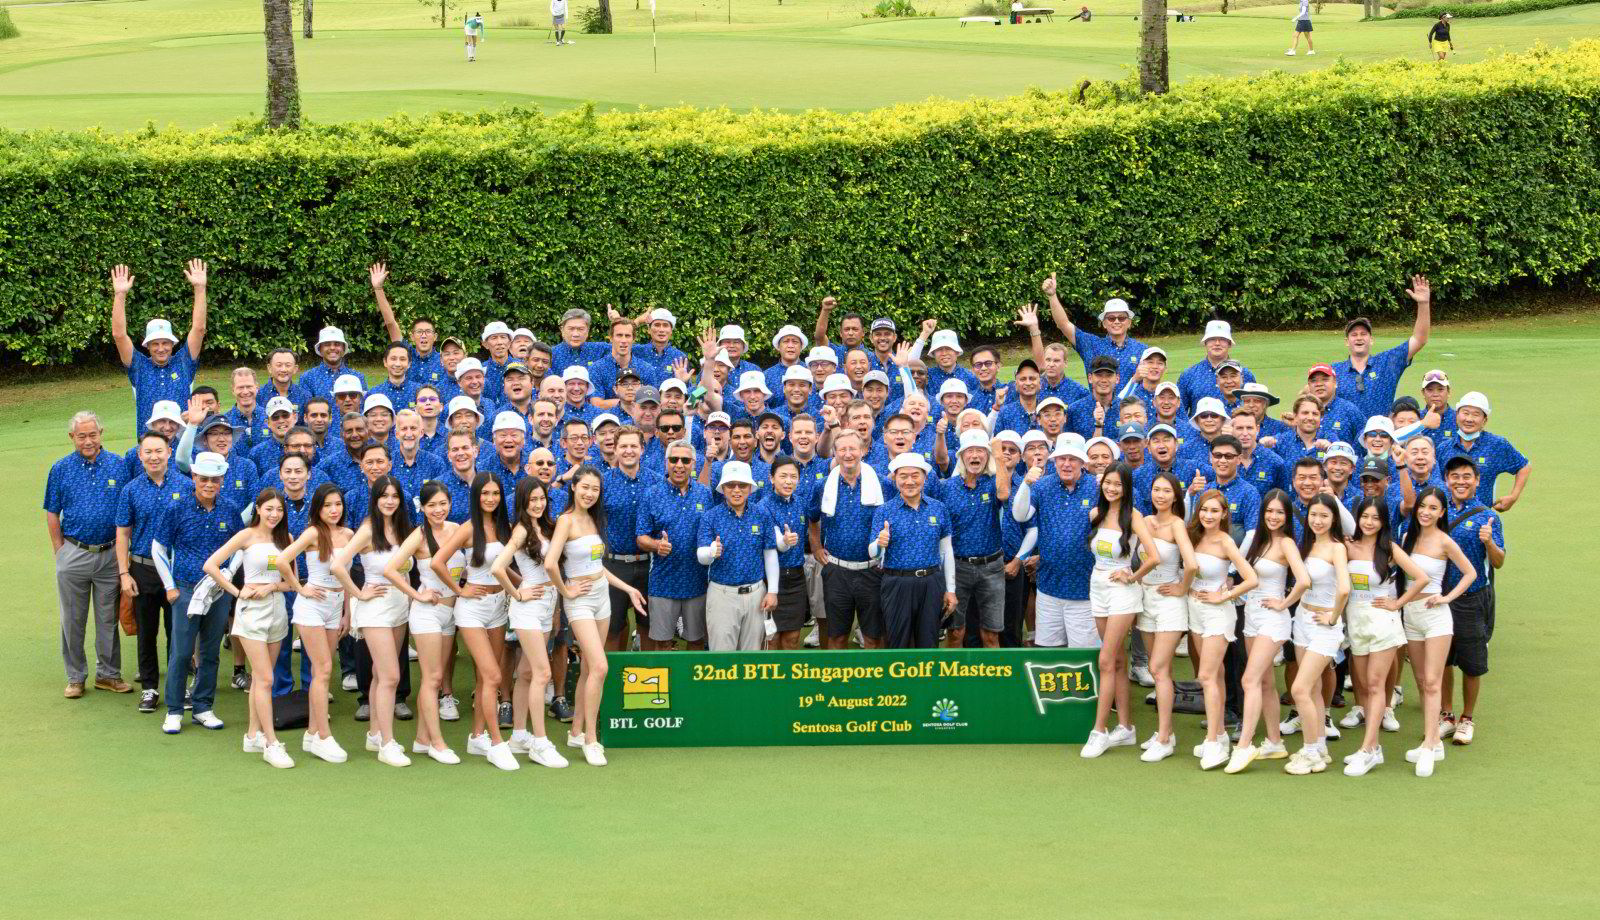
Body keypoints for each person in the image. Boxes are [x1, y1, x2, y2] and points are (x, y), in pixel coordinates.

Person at [546, 465, 647, 766]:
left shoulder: (593, 519)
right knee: (601, 666)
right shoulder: (565, 521)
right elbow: (551, 563)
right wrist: (566, 591)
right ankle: (592, 739)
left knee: (591, 668)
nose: (589, 493)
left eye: (595, 489)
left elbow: (597, 567)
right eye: (585, 487)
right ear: (574, 487)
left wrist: (627, 588)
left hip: (603, 596)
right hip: (579, 604)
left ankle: (576, 731)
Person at [427, 473, 520, 771]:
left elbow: (503, 568)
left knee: (485, 678)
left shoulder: (505, 528)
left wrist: (522, 588)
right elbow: (437, 562)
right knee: (494, 677)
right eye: (485, 494)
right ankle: (496, 743)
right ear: (476, 496)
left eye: (495, 493)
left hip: (499, 606)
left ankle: (476, 736)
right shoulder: (469, 528)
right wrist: (459, 589)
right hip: (472, 609)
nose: (491, 499)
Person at [203, 489, 296, 768]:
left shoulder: (287, 540)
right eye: (269, 509)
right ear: (258, 509)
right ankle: (271, 741)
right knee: (266, 679)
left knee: (259, 678)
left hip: (277, 609)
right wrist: (237, 591)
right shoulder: (246, 536)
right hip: (251, 614)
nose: (274, 514)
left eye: (279, 510)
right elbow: (211, 565)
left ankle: (252, 734)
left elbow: (292, 582)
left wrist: (271, 586)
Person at [1340, 497, 1429, 776]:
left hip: (1383, 623)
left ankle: (1368, 748)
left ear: (1383, 522)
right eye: (1364, 517)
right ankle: (1373, 747)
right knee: (1363, 686)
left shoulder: (1389, 549)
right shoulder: (1347, 547)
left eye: (1375, 518)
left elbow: (1421, 577)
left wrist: (1397, 603)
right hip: (1356, 622)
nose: (1369, 522)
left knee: (1377, 685)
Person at [151, 451, 238, 734]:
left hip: (217, 592)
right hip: (186, 589)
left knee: (211, 651)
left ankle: (203, 707)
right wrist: (170, 587)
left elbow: (241, 546)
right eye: (204, 479)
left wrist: (228, 576)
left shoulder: (230, 509)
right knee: (181, 652)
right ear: (194, 478)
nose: (209, 484)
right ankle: (175, 710)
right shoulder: (176, 508)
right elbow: (158, 548)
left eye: (215, 479)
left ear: (222, 480)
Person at [332, 475, 416, 768]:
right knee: (391, 676)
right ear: (375, 499)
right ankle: (388, 744)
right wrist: (358, 594)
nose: (390, 501)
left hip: (399, 607)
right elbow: (338, 565)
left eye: (395, 496)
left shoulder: (403, 530)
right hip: (375, 608)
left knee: (382, 675)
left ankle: (375, 734)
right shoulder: (368, 529)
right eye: (384, 496)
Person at [1079, 463, 1160, 758]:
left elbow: (1154, 556)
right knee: (1117, 661)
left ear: (1126, 488)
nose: (1112, 489)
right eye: (1108, 483)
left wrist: (1132, 576)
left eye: (1118, 485)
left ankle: (1099, 731)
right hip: (1097, 586)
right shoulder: (1095, 515)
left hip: (1122, 592)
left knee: (1106, 660)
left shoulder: (1134, 517)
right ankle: (1125, 728)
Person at [46, 411, 129, 699]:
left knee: (107, 619)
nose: (88, 441)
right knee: (73, 619)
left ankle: (108, 674)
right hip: (74, 552)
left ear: (101, 432)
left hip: (110, 554)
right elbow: (52, 512)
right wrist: (60, 551)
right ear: (72, 437)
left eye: (92, 434)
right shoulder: (60, 468)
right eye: (81, 436)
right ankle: (75, 677)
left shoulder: (119, 465)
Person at [1224, 490, 1308, 772]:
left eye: (1279, 512)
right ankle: (1274, 741)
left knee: (1249, 680)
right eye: (1269, 511)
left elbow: (1304, 580)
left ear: (1287, 517)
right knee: (1263, 682)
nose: (1273, 517)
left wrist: (1284, 603)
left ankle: (1244, 744)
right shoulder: (1257, 542)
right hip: (1251, 615)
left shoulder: (1286, 544)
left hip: (1274, 619)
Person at [1398, 483, 1478, 775]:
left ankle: (1431, 745)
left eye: (1433, 508)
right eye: (1423, 506)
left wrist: (1446, 597)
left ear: (1442, 512)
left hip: (1436, 618)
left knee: (1433, 681)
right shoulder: (1407, 537)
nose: (1426, 512)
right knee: (1421, 681)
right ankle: (1432, 739)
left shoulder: (1445, 541)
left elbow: (1470, 572)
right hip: (1411, 616)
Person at [381, 481, 462, 765]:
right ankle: (437, 743)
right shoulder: (418, 535)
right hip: (426, 612)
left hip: (450, 614)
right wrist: (417, 594)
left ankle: (421, 739)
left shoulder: (458, 530)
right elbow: (390, 569)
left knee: (437, 676)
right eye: (431, 505)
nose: (438, 510)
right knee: (433, 678)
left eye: (443, 504)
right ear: (423, 508)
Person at [492, 478, 570, 767]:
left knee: (526, 672)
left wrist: (555, 607)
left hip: (548, 606)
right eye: (532, 500)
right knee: (541, 673)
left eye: (542, 498)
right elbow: (498, 567)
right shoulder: (522, 529)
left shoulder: (547, 526)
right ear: (522, 503)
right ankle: (540, 742)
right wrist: (517, 593)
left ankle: (519, 736)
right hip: (526, 610)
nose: (538, 504)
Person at [115, 430, 194, 711]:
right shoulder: (131, 489)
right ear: (140, 455)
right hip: (143, 570)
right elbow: (123, 534)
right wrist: (124, 573)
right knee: (147, 632)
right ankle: (149, 688)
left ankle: (179, 686)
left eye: (159, 451)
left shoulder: (186, 486)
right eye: (147, 452)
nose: (154, 456)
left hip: (177, 570)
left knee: (178, 633)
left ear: (169, 452)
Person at [274, 483, 350, 762]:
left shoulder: (349, 534)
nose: (333, 510)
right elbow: (283, 560)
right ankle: (323, 736)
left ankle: (311, 732)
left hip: (335, 606)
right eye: (327, 505)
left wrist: (347, 613)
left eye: (338, 504)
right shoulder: (313, 533)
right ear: (318, 507)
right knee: (323, 669)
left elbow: (346, 576)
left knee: (324, 671)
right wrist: (299, 587)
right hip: (311, 606)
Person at [1185, 490, 1258, 770]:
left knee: (1205, 675)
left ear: (1224, 514)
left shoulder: (1226, 541)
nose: (1208, 515)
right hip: (1195, 610)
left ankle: (1214, 744)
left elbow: (1250, 579)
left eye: (1215, 511)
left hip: (1218, 614)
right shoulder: (1193, 537)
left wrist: (1223, 596)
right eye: (1204, 510)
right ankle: (1219, 735)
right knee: (1213, 676)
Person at [1438, 457, 1505, 750]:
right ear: (1446, 479)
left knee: (1472, 664)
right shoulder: (1436, 510)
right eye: (1455, 476)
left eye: (1467, 476)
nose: (1461, 482)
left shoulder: (1487, 516)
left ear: (1477, 480)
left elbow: (1499, 562)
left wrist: (1489, 542)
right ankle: (1447, 714)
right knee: (1441, 660)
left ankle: (1467, 717)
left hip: (1471, 600)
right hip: (1439, 599)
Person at [1011, 435, 1098, 648]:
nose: (1066, 464)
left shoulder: (1096, 486)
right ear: (1054, 460)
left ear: (1083, 462)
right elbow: (1020, 515)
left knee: (1083, 654)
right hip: (1049, 586)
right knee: (1049, 651)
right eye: (1061, 458)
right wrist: (1026, 483)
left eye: (1073, 459)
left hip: (1085, 589)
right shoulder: (1042, 486)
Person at [1283, 495, 1349, 775]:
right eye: (1313, 515)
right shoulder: (1305, 545)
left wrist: (1333, 616)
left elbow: (1345, 588)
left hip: (1325, 626)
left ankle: (1310, 752)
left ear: (1333, 518)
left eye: (1324, 515)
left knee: (1298, 689)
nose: (1318, 521)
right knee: (1311, 690)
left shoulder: (1337, 548)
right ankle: (1319, 747)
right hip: (1303, 621)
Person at [109, 261, 209, 436]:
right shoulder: (139, 366)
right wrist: (120, 294)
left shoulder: (184, 362)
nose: (161, 348)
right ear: (147, 346)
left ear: (172, 344)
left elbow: (199, 329)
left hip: (182, 444)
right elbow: (119, 335)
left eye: (165, 343)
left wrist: (200, 289)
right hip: (149, 447)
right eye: (155, 343)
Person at [868, 453, 957, 649]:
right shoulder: (884, 510)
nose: (909, 481)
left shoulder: (938, 508)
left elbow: (946, 551)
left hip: (931, 583)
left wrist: (950, 590)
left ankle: (928, 681)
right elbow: (872, 552)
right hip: (896, 583)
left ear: (925, 478)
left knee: (929, 642)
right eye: (903, 476)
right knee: (897, 642)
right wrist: (880, 543)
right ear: (895, 478)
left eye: (915, 475)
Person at [698, 461, 779, 650]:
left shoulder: (762, 514)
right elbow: (701, 556)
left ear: (750, 488)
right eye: (730, 485)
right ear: (723, 489)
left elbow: (769, 553)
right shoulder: (710, 517)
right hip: (722, 595)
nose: (736, 490)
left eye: (742, 485)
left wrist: (773, 591)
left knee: (752, 657)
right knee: (721, 658)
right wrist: (711, 552)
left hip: (756, 594)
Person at [1333, 275, 1431, 421]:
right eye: (1354, 335)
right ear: (1347, 341)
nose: (1359, 338)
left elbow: (1419, 339)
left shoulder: (1387, 362)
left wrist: (1423, 304)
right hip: (1346, 438)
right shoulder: (1334, 371)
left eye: (1363, 334)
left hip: (1380, 437)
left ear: (1371, 340)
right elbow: (1313, 397)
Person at [1437, 392, 1529, 512]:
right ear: (1457, 415)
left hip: (1482, 518)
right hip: (1447, 518)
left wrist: (1513, 496)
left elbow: (1524, 466)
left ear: (1484, 420)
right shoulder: (1443, 448)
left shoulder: (1496, 445)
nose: (1469, 419)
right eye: (1465, 413)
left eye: (1476, 415)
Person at [761, 457, 812, 649]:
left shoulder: (801, 503)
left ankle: (789, 679)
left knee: (792, 638)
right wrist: (784, 541)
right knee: (771, 638)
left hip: (796, 578)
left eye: (793, 476)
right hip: (771, 579)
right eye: (783, 476)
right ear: (771, 478)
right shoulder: (763, 506)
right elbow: (775, 543)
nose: (788, 481)